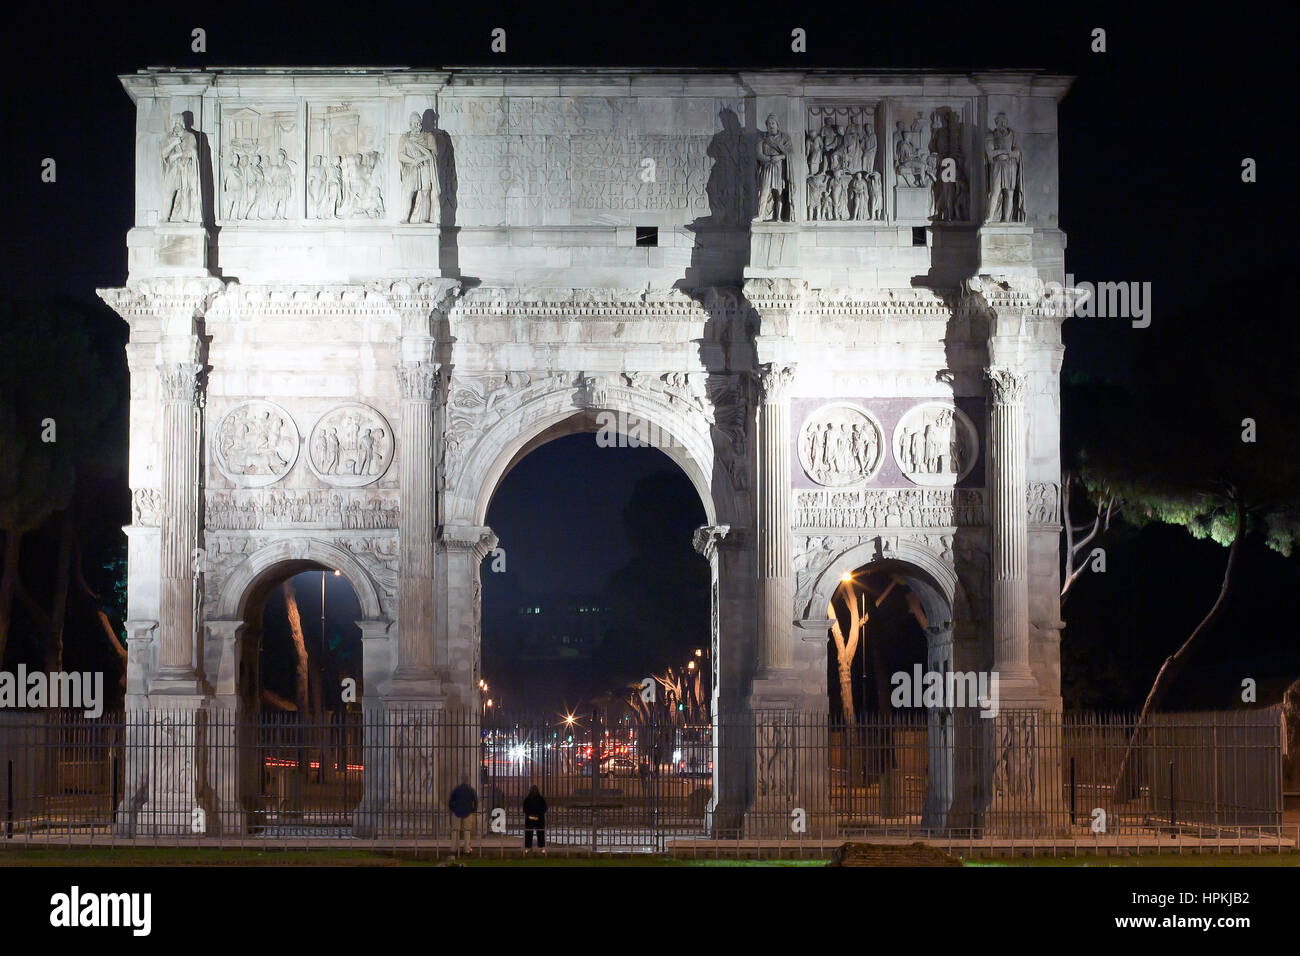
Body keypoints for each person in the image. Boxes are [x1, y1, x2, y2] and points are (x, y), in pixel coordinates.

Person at [448, 777, 477, 855]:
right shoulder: (470, 790)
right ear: (468, 781)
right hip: (467, 811)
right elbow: (475, 800)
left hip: (457, 811)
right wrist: (473, 810)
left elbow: (450, 800)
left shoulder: (456, 789)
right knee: (467, 830)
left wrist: (453, 809)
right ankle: (467, 848)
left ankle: (454, 848)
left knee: (455, 830)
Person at [522, 784, 547, 854]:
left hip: (531, 818)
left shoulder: (528, 799)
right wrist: (538, 815)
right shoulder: (540, 799)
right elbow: (544, 808)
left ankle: (529, 847)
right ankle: (540, 847)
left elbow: (525, 809)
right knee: (538, 833)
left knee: (531, 833)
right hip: (538, 818)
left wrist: (531, 815)